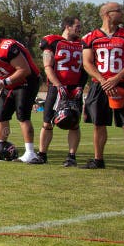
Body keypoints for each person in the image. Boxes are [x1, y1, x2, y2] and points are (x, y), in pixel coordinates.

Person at [81, 2, 124, 173]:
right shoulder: (90, 37)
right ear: (108, 14)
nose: (122, 13)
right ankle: (98, 159)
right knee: (98, 124)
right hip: (100, 85)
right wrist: (102, 80)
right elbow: (87, 62)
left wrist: (116, 79)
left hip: (121, 84)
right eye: (119, 11)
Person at [0, 30, 42, 162]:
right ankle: (0, 148)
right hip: (9, 84)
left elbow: (25, 70)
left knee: (23, 116)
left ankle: (30, 153)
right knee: (2, 115)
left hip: (26, 82)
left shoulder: (8, 48)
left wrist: (4, 81)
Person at [37, 16, 85, 166]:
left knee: (74, 122)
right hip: (56, 88)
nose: (79, 29)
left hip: (74, 88)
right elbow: (47, 66)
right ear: (67, 26)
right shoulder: (53, 41)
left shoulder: (83, 44)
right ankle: (42, 154)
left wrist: (80, 86)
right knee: (47, 123)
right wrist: (58, 85)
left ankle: (71, 157)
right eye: (77, 26)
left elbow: (85, 69)